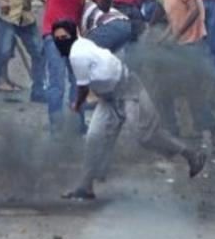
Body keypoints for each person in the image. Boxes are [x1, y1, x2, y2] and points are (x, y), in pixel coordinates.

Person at [53, 20, 206, 200]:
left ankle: (191, 155)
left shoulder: (76, 54)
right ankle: (86, 187)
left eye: (64, 37)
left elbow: (83, 89)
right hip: (108, 98)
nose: (61, 41)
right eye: (57, 39)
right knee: (95, 137)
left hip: (128, 88)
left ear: (73, 35)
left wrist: (77, 106)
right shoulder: (81, 44)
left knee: (145, 135)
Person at [150, 0, 215, 152]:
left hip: (191, 46)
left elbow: (193, 12)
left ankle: (214, 131)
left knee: (194, 95)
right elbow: (172, 16)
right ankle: (171, 132)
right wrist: (163, 38)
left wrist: (175, 36)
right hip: (176, 45)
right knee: (164, 89)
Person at [40, 0, 109, 130]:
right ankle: (56, 129)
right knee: (57, 83)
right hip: (52, 33)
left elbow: (104, 6)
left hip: (75, 36)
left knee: (77, 82)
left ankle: (77, 125)